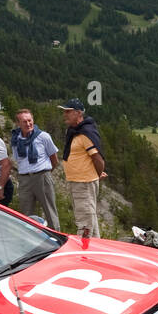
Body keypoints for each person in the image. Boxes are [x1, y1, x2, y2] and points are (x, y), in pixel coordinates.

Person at [60, 98, 106, 238]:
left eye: (68, 111)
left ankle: (84, 254)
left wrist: (97, 174)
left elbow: (98, 159)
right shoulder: (75, 131)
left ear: (78, 113)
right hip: (78, 182)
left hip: (84, 183)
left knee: (85, 224)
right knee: (89, 219)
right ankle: (96, 251)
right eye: (64, 112)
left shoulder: (85, 133)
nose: (65, 114)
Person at [10, 108, 60, 229]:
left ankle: (59, 239)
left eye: (30, 120)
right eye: (24, 121)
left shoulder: (43, 137)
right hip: (24, 180)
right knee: (26, 215)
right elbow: (18, 160)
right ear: (18, 123)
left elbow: (54, 159)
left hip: (42, 176)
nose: (28, 124)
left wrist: (46, 174)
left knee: (50, 212)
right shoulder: (15, 140)